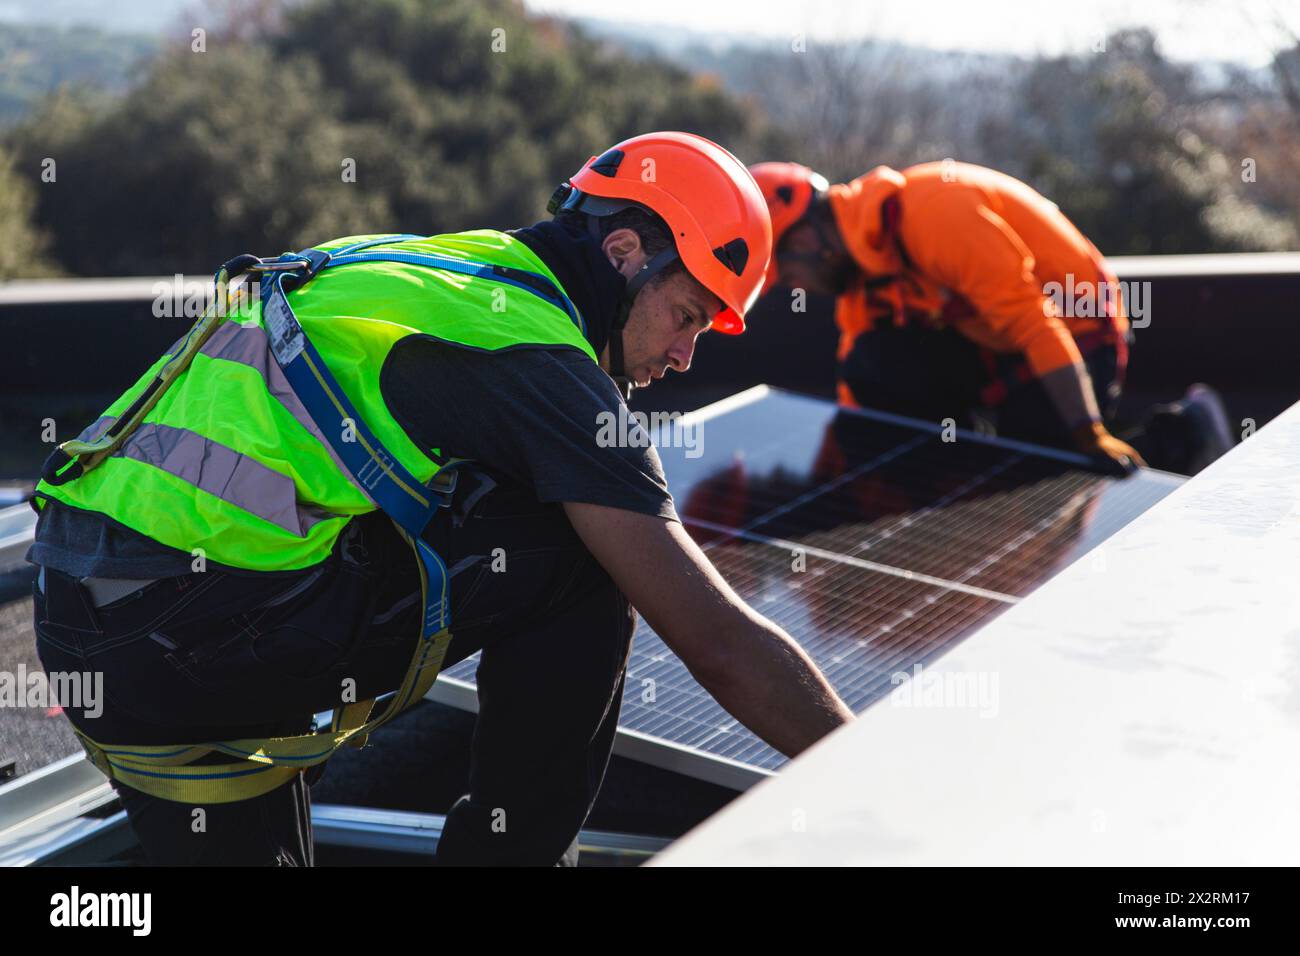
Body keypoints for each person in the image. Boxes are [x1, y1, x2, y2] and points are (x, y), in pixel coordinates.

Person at [28, 131, 854, 867]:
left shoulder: (436, 268)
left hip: (86, 612)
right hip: (187, 634)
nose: (684, 355)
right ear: (627, 251)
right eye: (687, 315)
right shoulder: (537, 359)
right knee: (589, 554)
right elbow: (716, 642)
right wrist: (881, 767)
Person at [749, 160, 1233, 474]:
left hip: (1076, 331)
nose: (794, 288)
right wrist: (843, 480)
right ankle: (975, 465)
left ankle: (1187, 434)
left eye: (787, 274)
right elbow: (859, 380)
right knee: (877, 363)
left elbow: (1034, 322)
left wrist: (1086, 434)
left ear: (809, 240)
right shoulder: (863, 270)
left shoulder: (932, 213)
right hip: (989, 338)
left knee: (1050, 466)